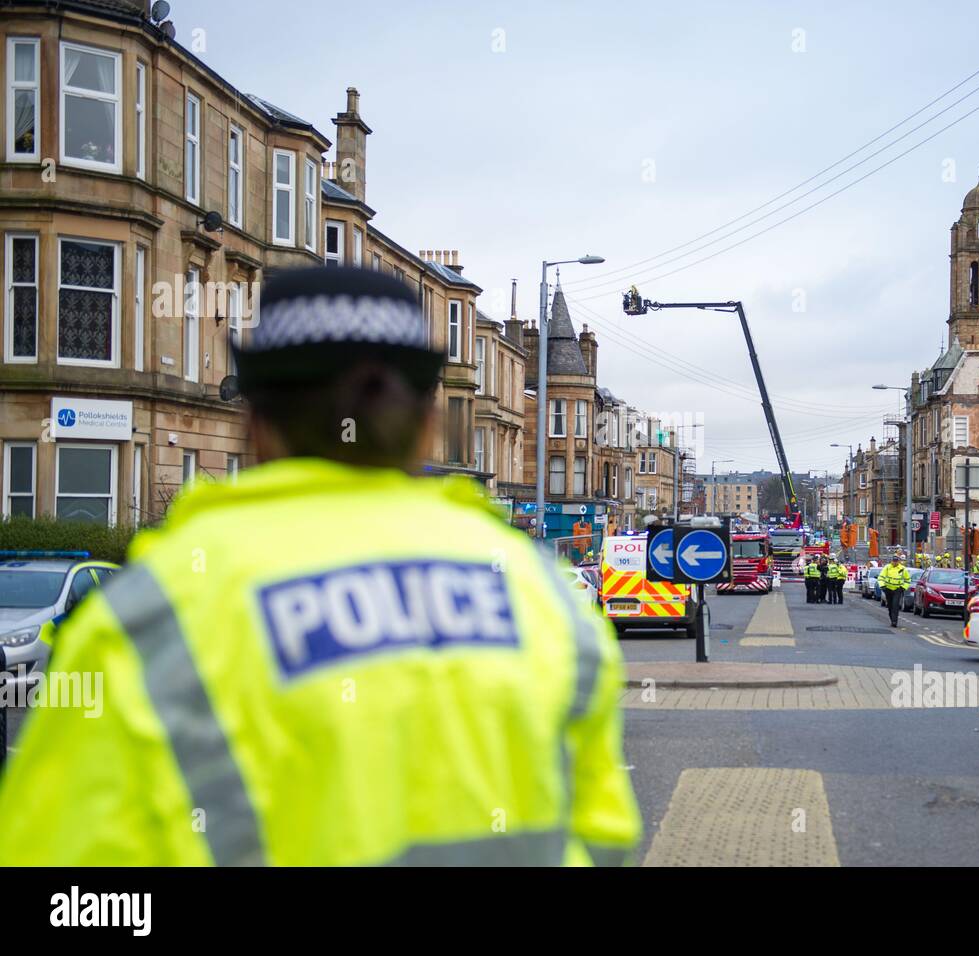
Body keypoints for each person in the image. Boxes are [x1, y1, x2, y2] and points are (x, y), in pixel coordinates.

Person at [0, 267, 640, 867]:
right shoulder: (547, 602)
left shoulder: (146, 625)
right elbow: (604, 839)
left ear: (254, 424)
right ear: (427, 426)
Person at [879, 553, 911, 628]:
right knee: (890, 606)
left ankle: (894, 621)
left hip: (897, 590)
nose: (895, 562)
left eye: (896, 561)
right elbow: (881, 577)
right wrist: (882, 586)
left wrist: (903, 587)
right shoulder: (887, 567)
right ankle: (892, 618)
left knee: (895, 605)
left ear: (898, 561)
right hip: (888, 589)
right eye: (893, 561)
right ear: (891, 561)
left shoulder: (902, 569)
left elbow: (908, 580)